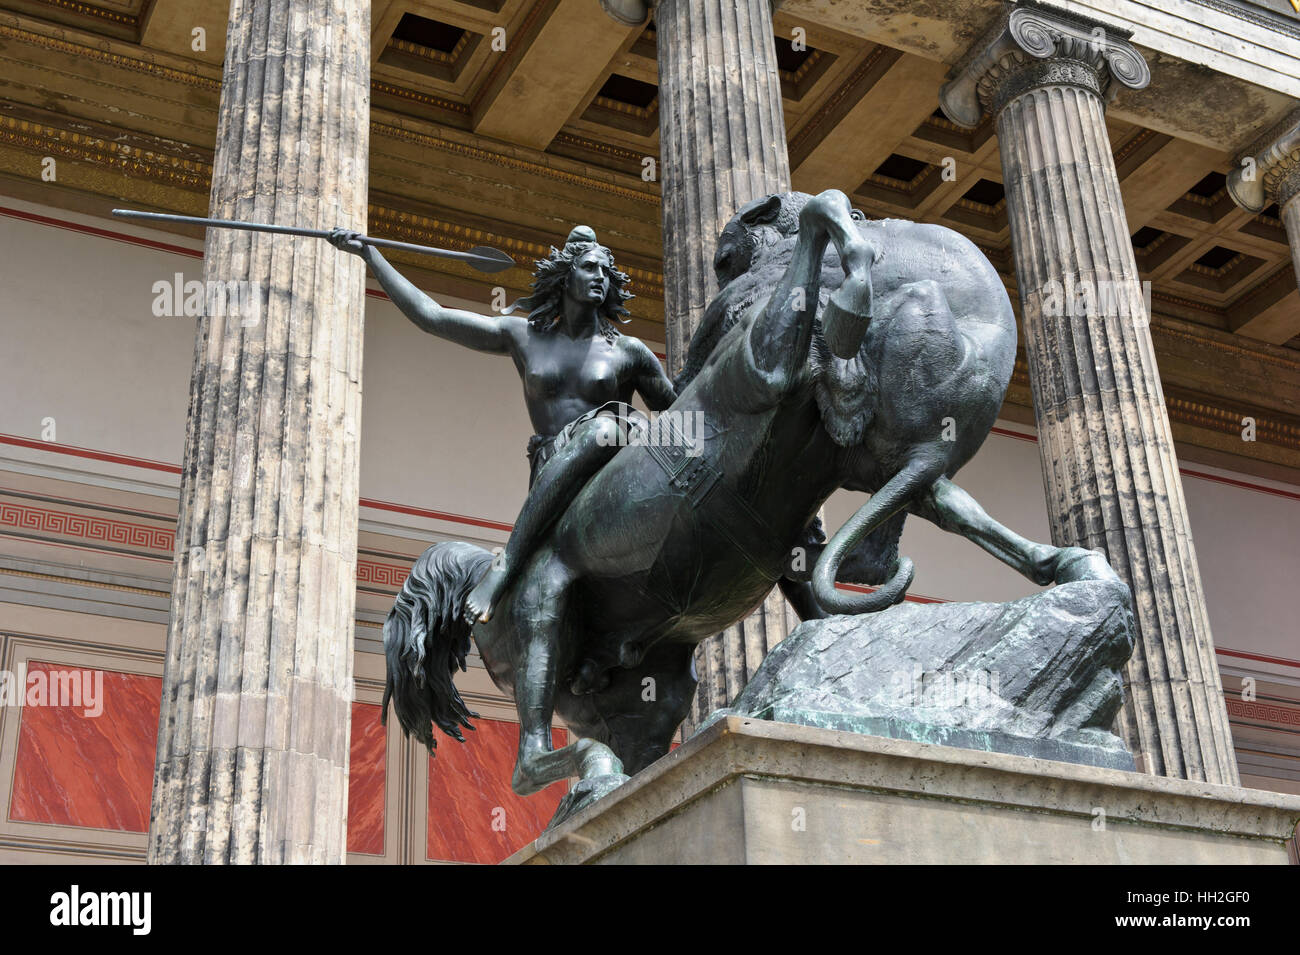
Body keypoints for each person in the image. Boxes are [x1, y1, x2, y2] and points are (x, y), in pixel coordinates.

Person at [329, 225, 676, 623]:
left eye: (605, 273)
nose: (600, 277)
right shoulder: (523, 336)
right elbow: (433, 317)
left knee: (607, 426)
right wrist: (371, 256)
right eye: (590, 268)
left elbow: (679, 412)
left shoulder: (628, 350)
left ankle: (505, 564)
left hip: (612, 468)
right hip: (552, 469)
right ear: (566, 276)